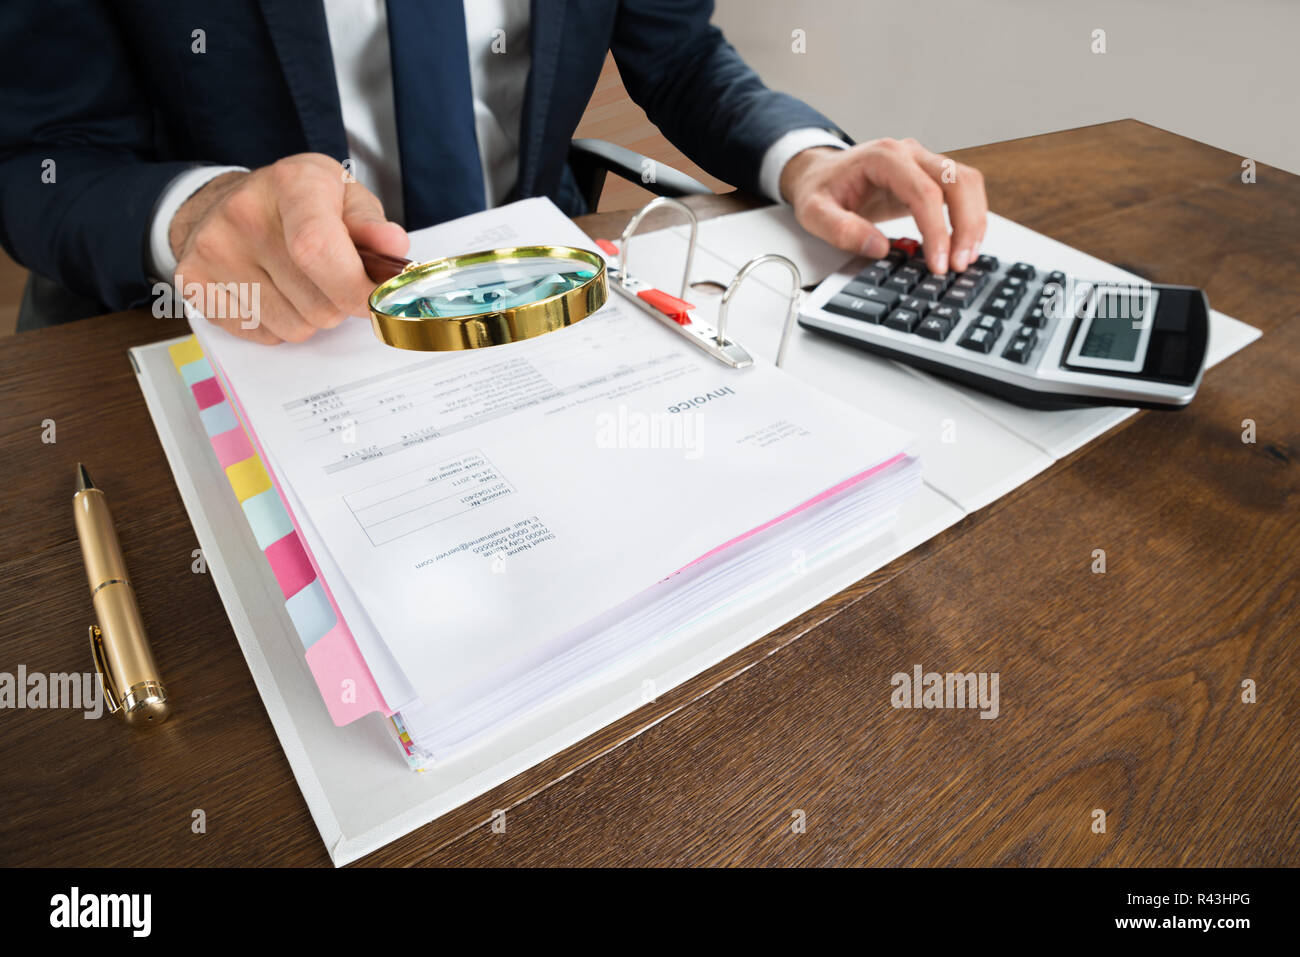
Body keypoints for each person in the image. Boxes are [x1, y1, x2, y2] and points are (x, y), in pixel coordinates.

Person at [0, 0, 986, 343]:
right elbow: (47, 154)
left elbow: (681, 59)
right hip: (252, 332)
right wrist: (193, 213)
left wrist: (805, 156)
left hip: (536, 306)